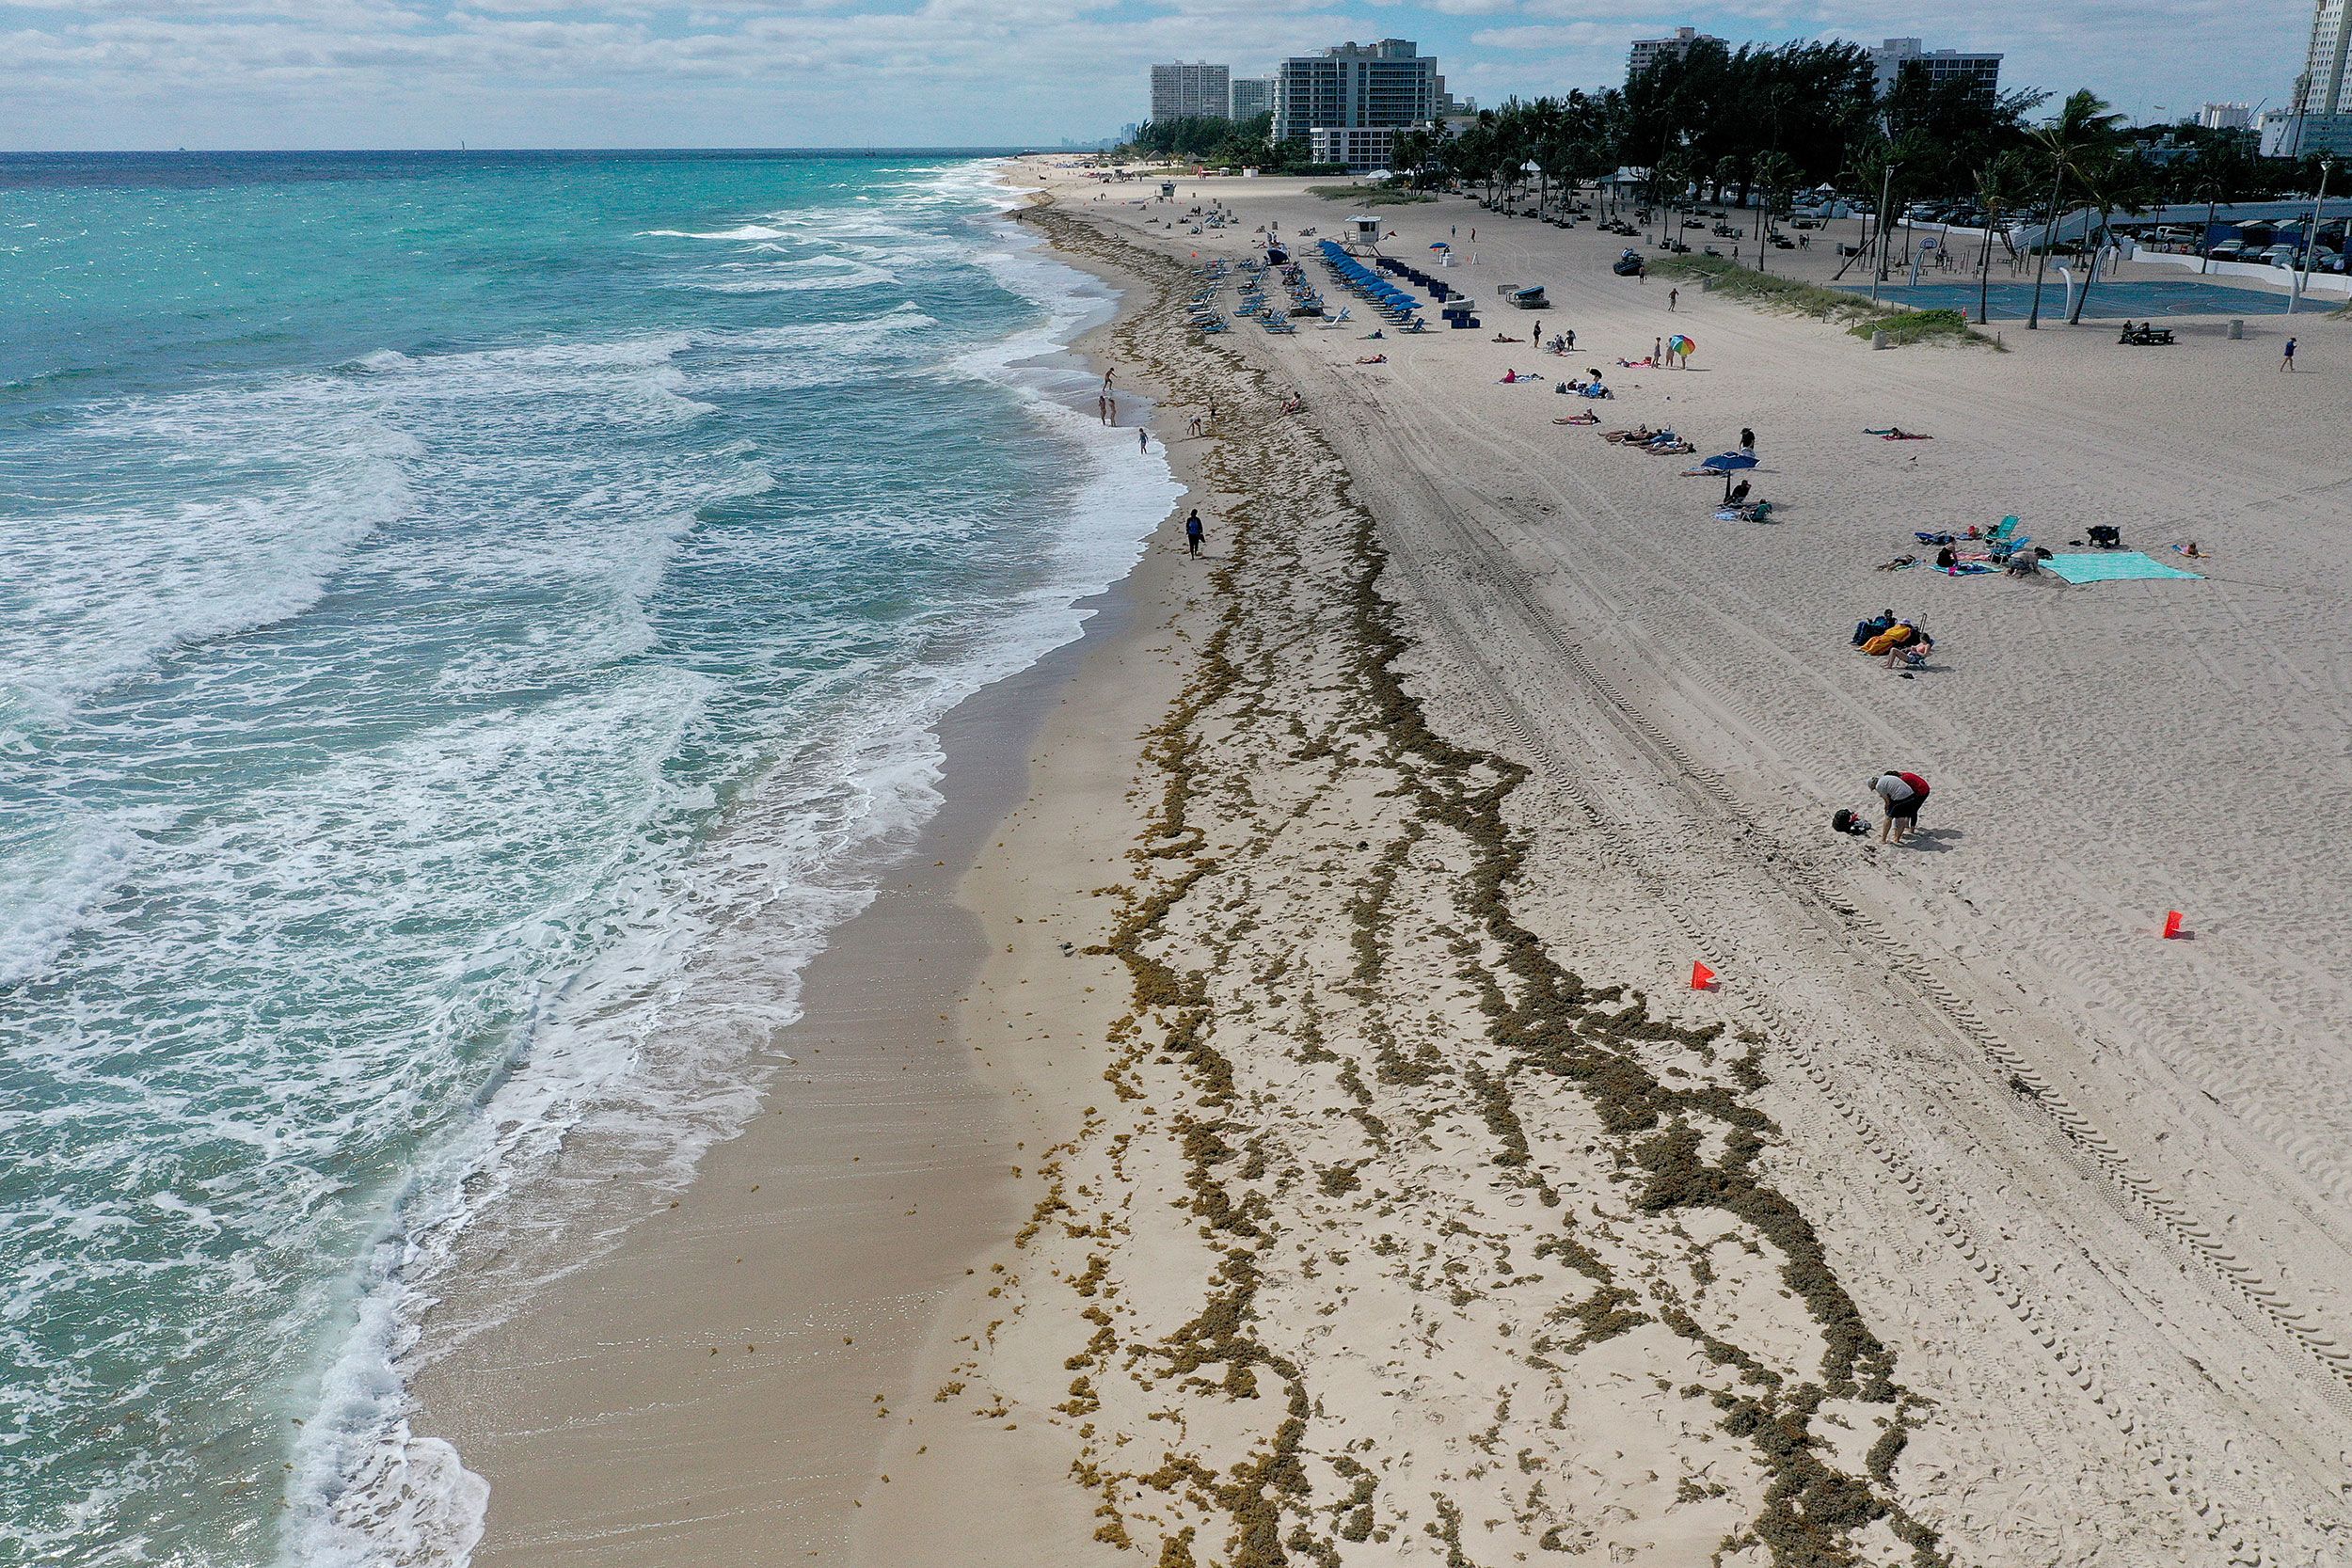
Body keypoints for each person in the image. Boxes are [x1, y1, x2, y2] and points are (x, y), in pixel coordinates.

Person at [1870, 769, 1931, 843]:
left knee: (1889, 818)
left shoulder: (1879, 786)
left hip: (1905, 796)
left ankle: (1883, 839)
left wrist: (1887, 809)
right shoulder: (1888, 778)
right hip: (1911, 795)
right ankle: (1897, 839)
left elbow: (1887, 801)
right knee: (1902, 817)